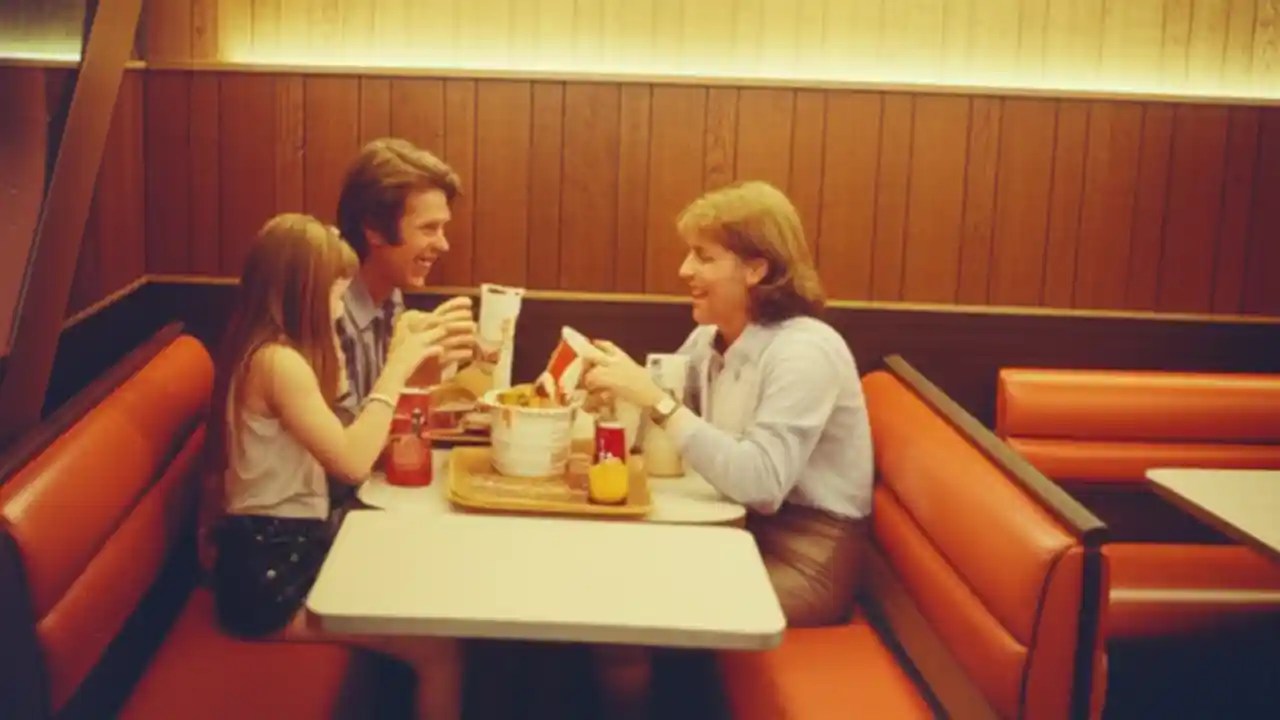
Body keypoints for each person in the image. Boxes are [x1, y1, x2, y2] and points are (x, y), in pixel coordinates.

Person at [583, 180, 873, 717]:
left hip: (808, 559)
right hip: (736, 531)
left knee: (620, 615)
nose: (684, 272)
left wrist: (653, 401)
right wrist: (613, 392)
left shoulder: (805, 351)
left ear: (756, 269)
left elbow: (762, 484)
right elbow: (667, 426)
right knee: (600, 571)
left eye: (703, 257)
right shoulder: (711, 339)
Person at [205, 213, 475, 720]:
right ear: (300, 290)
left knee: (424, 584)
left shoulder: (286, 352)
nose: (338, 304)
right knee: (440, 649)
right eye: (333, 290)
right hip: (269, 580)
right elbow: (353, 463)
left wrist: (410, 360)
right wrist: (397, 368)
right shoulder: (278, 363)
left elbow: (358, 434)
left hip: (283, 552)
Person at [334, 137, 475, 421]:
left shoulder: (390, 296)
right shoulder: (329, 309)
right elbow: (345, 456)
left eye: (442, 228)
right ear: (373, 229)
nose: (443, 244)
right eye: (428, 228)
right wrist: (413, 384)